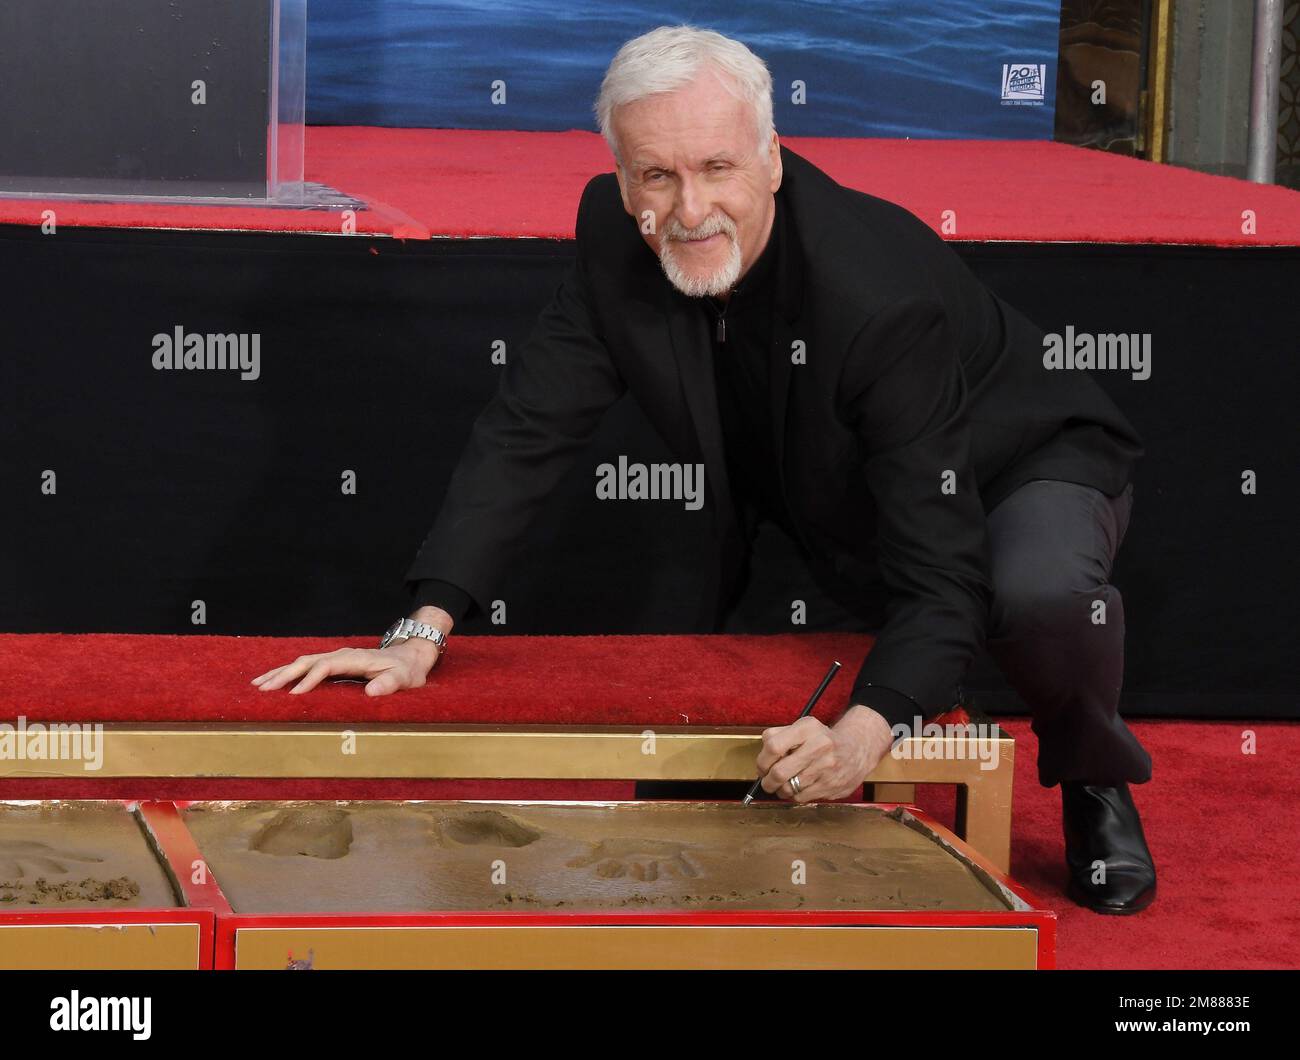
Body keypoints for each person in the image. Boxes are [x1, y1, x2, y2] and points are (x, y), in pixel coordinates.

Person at [253, 25, 1156, 914]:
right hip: (827, 495)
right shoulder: (616, 242)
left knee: (1033, 593)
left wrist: (865, 731)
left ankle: (1092, 777)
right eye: (657, 175)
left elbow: (942, 562)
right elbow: (525, 432)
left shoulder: (879, 299)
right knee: (695, 816)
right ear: (621, 179)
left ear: (773, 160)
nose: (689, 209)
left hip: (1016, 465)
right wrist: (422, 630)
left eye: (717, 168)